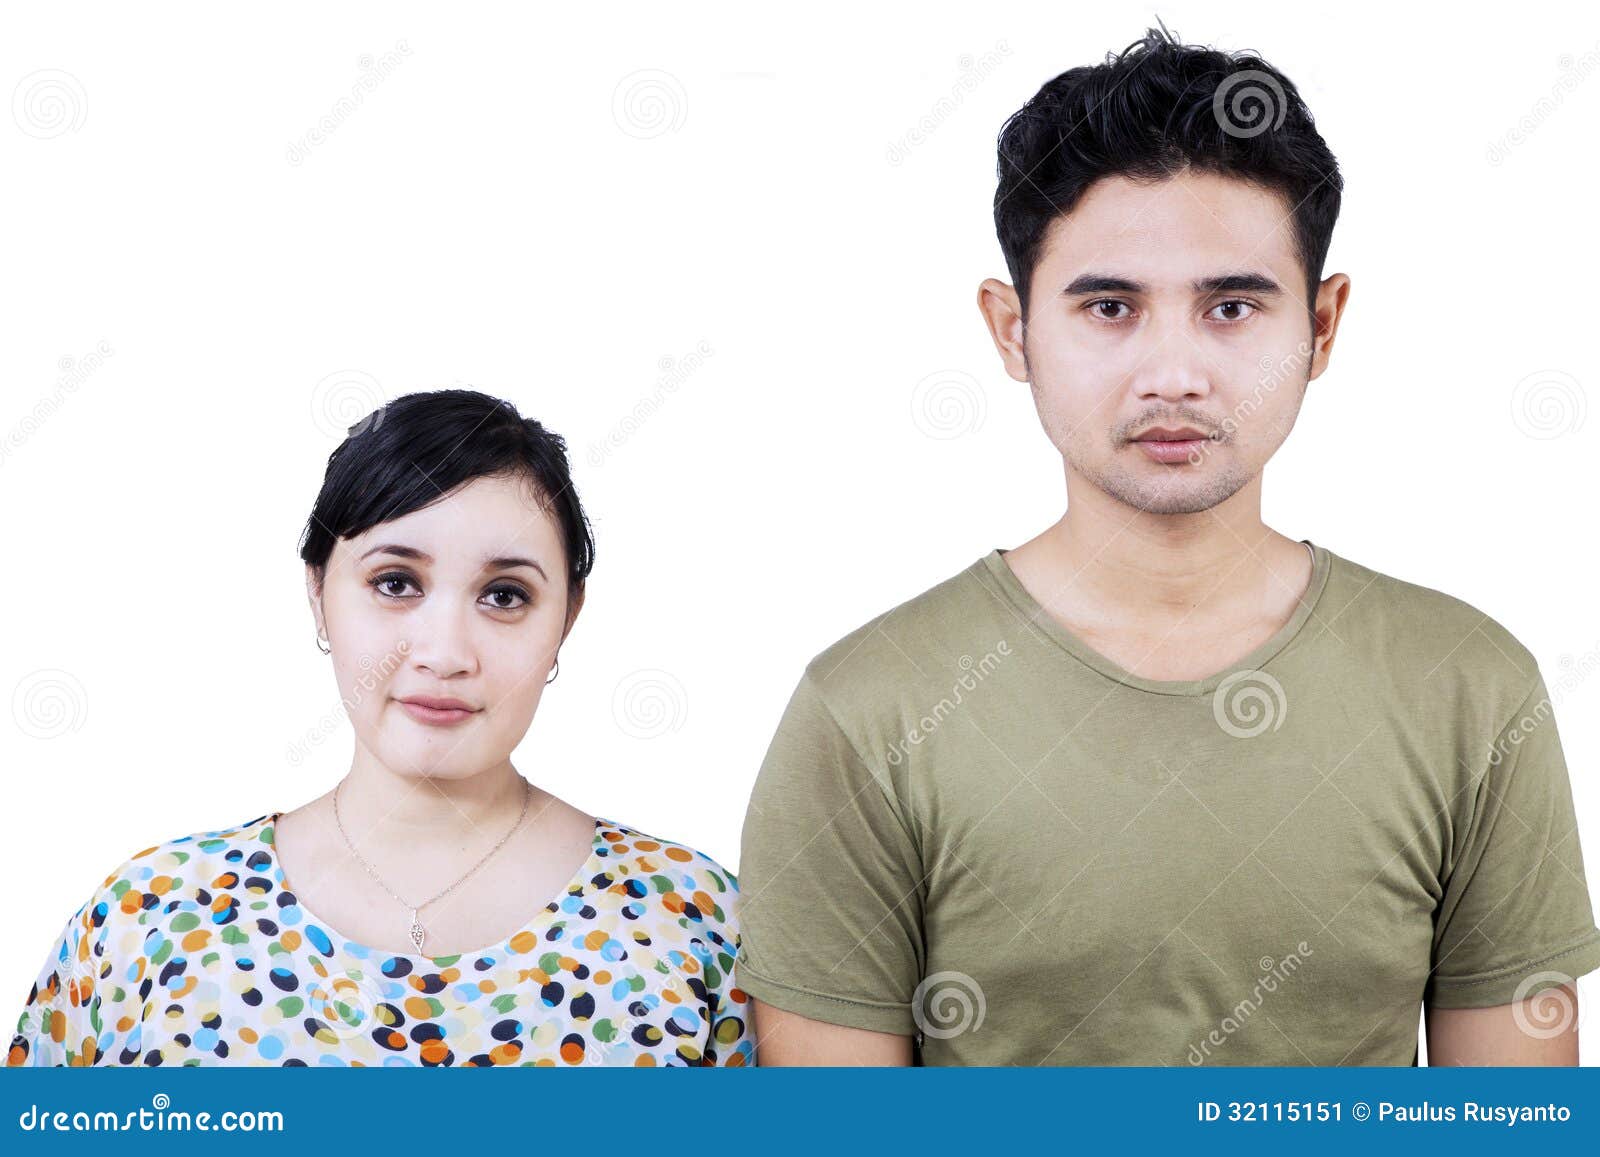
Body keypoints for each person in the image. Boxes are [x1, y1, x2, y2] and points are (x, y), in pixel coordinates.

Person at [735, 26, 1600, 1065]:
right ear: (1010, 331)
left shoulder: (1468, 685)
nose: (1173, 372)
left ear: (1322, 328)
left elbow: (1509, 1123)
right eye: (1109, 307)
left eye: (1231, 306)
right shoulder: (865, 708)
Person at [9, 389, 753, 1067]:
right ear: (318, 593)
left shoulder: (694, 923)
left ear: (568, 618)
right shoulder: (151, 918)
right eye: (395, 583)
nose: (445, 653)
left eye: (504, 595)